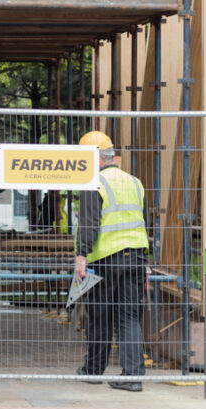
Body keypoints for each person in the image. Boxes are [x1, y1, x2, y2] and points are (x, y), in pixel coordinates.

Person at [73, 130, 149, 391]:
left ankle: (93, 370)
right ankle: (132, 376)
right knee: (129, 318)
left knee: (100, 315)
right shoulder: (135, 182)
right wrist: (145, 264)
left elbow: (90, 223)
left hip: (106, 259)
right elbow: (143, 225)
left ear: (95, 157)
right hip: (136, 258)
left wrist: (81, 256)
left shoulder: (94, 182)